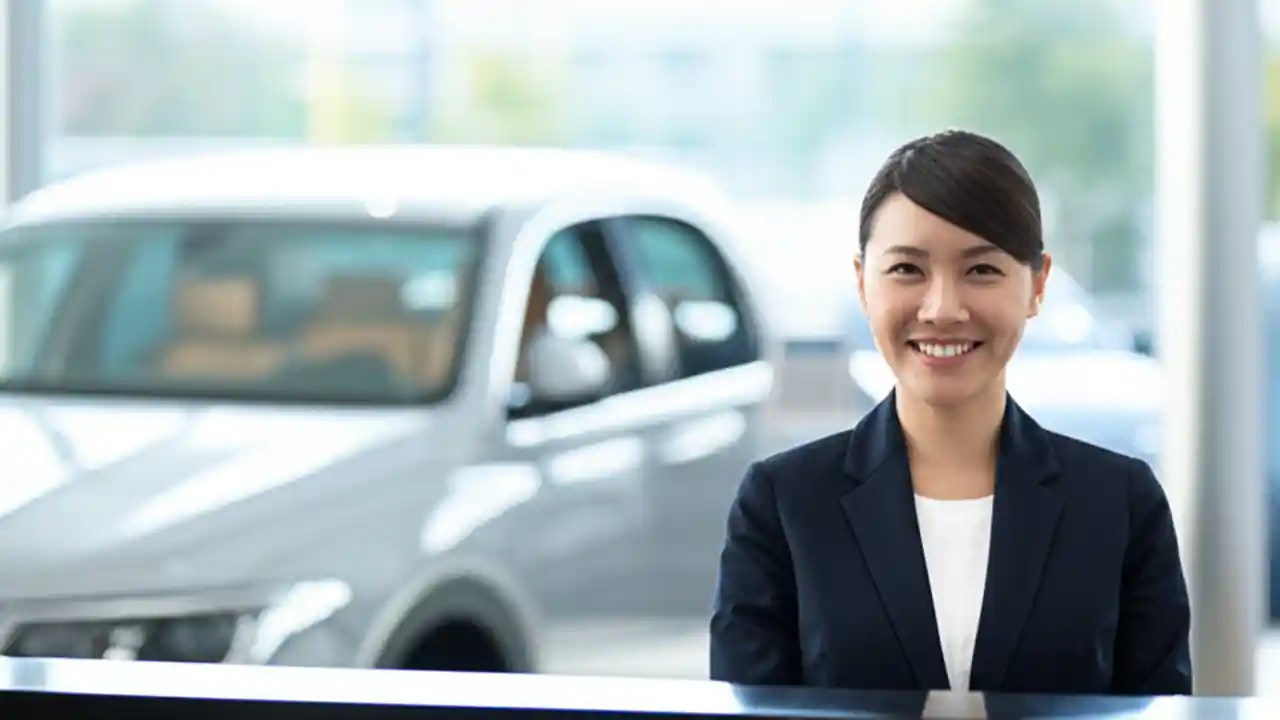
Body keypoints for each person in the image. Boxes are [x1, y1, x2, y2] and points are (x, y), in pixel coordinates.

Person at [709, 130, 1191, 695]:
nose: (942, 308)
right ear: (863, 282)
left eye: (981, 270)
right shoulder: (783, 504)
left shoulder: (1120, 503)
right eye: (908, 270)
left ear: (1037, 285)